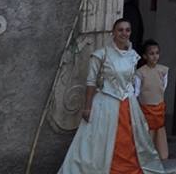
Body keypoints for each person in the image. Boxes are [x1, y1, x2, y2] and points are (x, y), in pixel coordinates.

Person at [55, 18, 168, 174]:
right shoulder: (100, 54)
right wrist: (87, 107)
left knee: (130, 141)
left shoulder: (133, 56)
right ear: (113, 33)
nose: (124, 33)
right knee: (101, 143)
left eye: (127, 30)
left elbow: (130, 81)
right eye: (120, 30)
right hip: (106, 102)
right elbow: (91, 82)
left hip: (128, 105)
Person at [134, 38, 171, 163]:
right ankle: (146, 155)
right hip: (146, 107)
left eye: (157, 53)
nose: (155, 56)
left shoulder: (163, 70)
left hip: (159, 105)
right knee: (147, 129)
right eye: (151, 53)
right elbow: (137, 91)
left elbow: (163, 86)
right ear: (144, 56)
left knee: (159, 128)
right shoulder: (140, 72)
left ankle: (161, 153)